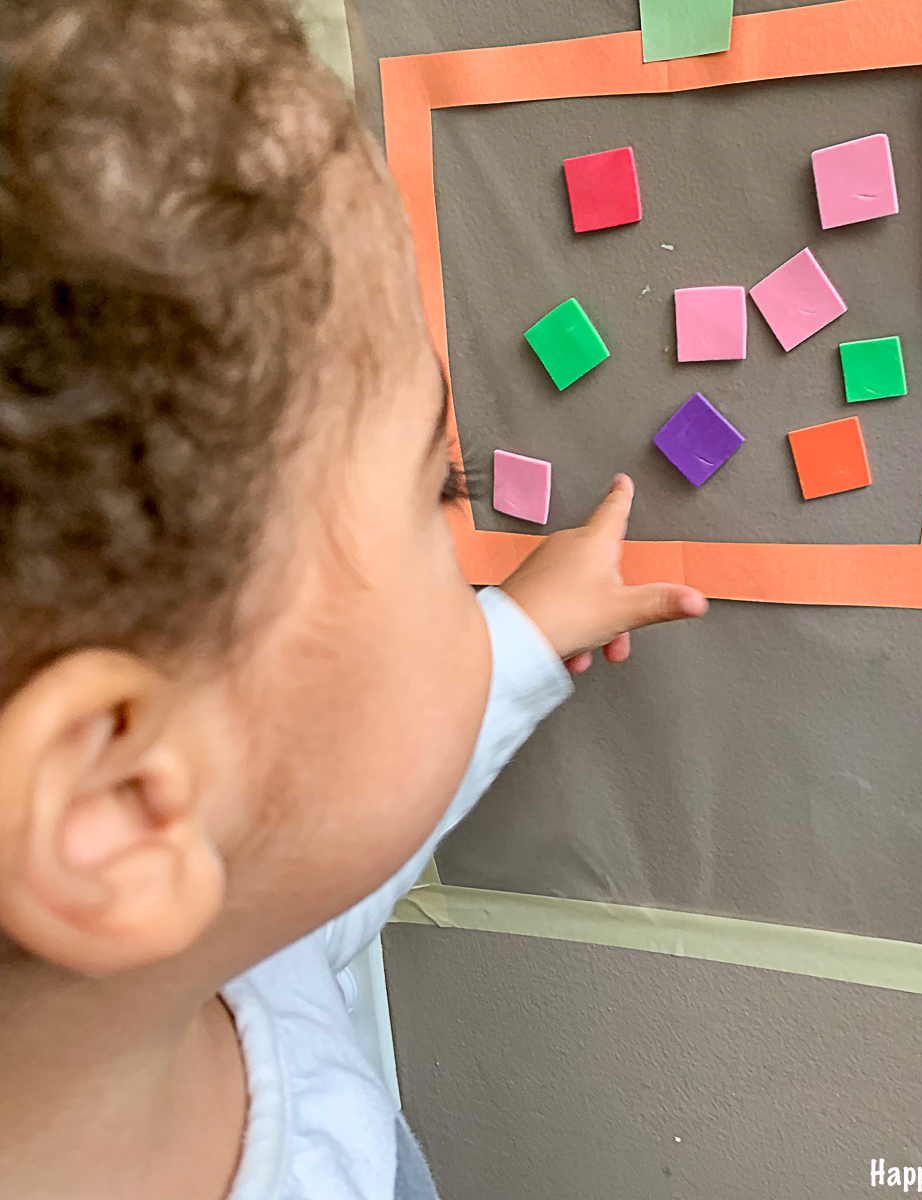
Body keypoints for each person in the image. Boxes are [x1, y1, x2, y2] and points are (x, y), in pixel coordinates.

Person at [0, 2, 708, 1196]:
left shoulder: (228, 949)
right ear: (117, 803)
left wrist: (527, 634)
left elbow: (328, 817)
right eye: (441, 490)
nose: (462, 528)